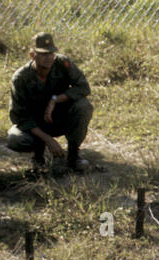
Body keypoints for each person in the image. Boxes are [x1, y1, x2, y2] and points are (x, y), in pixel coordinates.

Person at [6, 32, 93, 172]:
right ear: (32, 55)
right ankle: (38, 157)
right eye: (43, 54)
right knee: (15, 139)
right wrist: (48, 140)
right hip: (35, 126)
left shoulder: (63, 63)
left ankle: (73, 155)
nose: (49, 58)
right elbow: (19, 116)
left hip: (59, 119)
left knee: (84, 106)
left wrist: (55, 100)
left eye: (51, 53)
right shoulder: (20, 77)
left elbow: (83, 87)